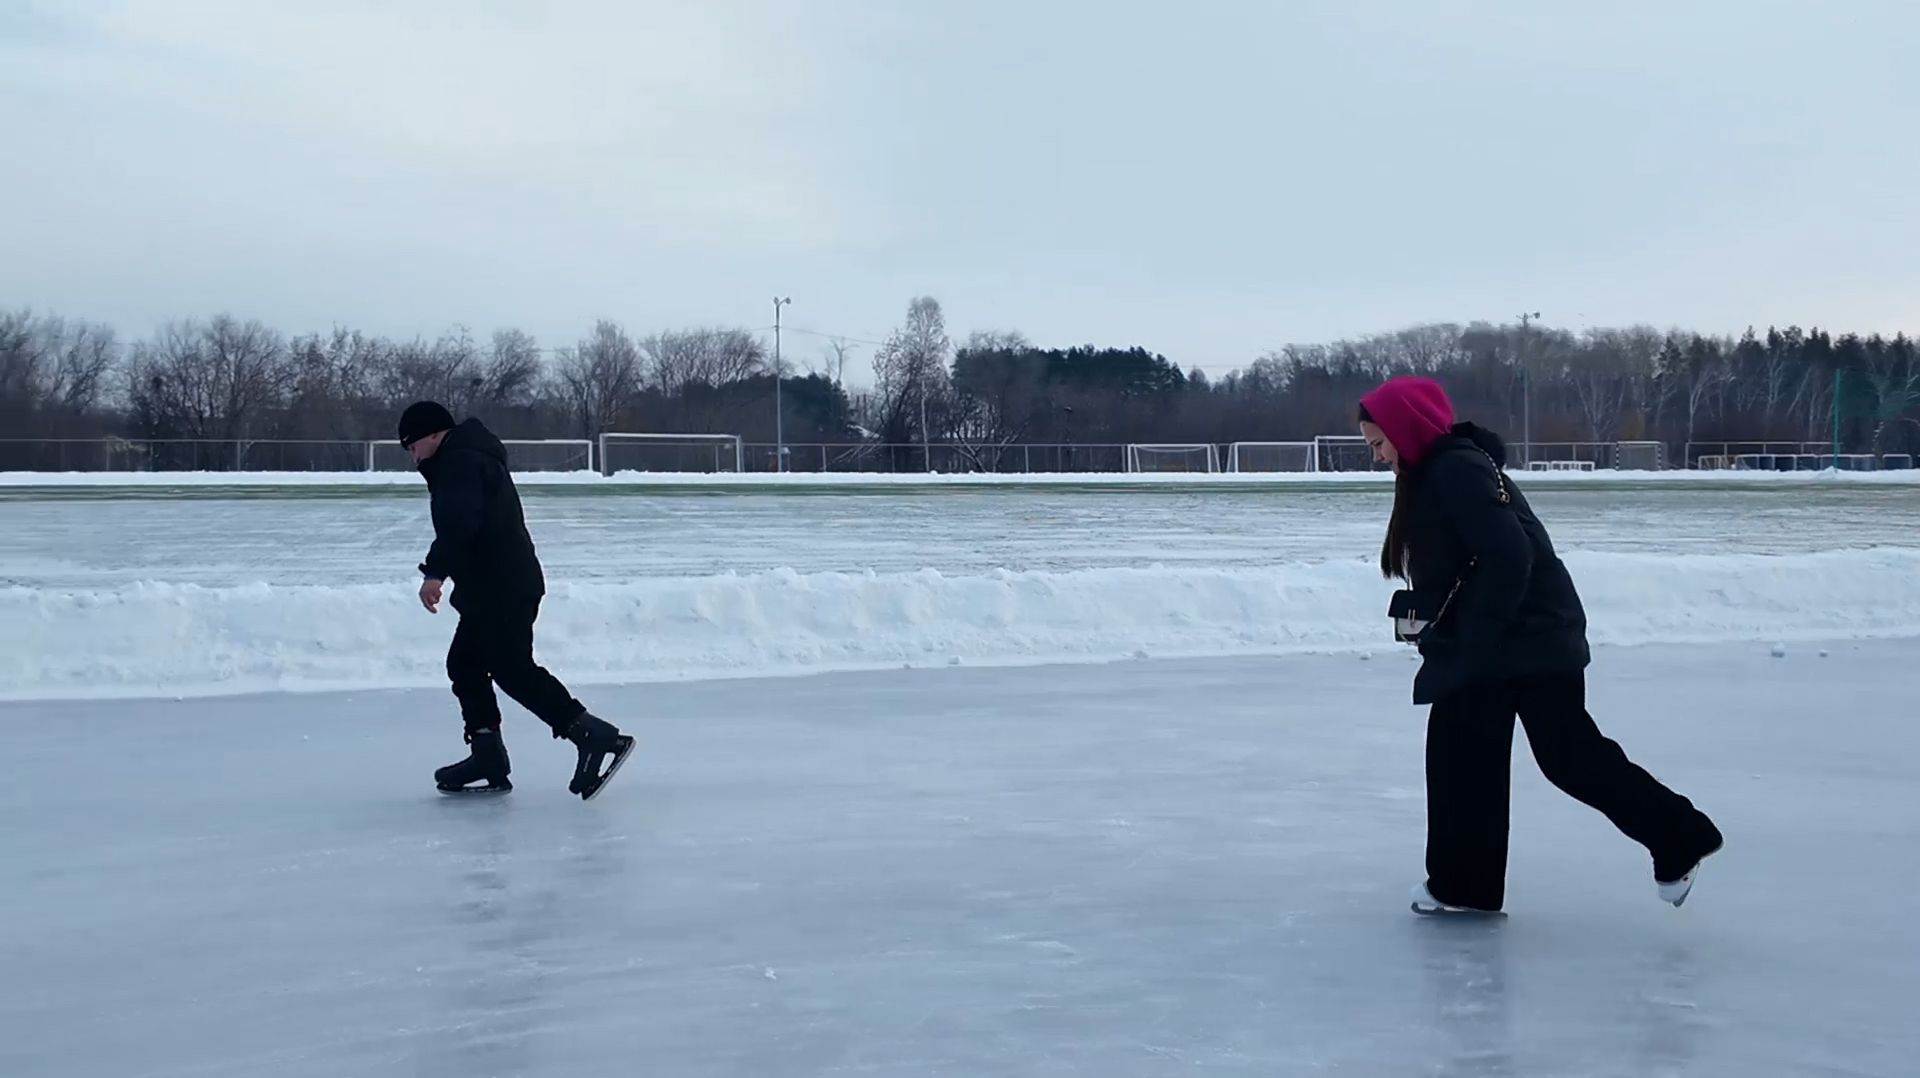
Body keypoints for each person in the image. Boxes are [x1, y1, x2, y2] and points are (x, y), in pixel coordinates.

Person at [1356, 376, 1722, 915]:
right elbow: (1472, 559)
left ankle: (1679, 835)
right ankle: (1466, 886)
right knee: (1493, 754)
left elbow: (1508, 556)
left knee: (1540, 755)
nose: (1378, 457)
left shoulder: (1454, 469)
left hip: (1525, 641)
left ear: (1408, 429)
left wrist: (1473, 640)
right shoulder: (1445, 469)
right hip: (1519, 637)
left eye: (1379, 443)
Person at [397, 400, 634, 799]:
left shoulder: (459, 462)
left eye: (410, 447)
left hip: (502, 586)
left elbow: (460, 526)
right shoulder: (465, 457)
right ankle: (488, 756)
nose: (412, 457)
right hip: (492, 585)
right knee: (466, 664)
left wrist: (435, 573)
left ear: (431, 435)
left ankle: (594, 735)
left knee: (511, 668)